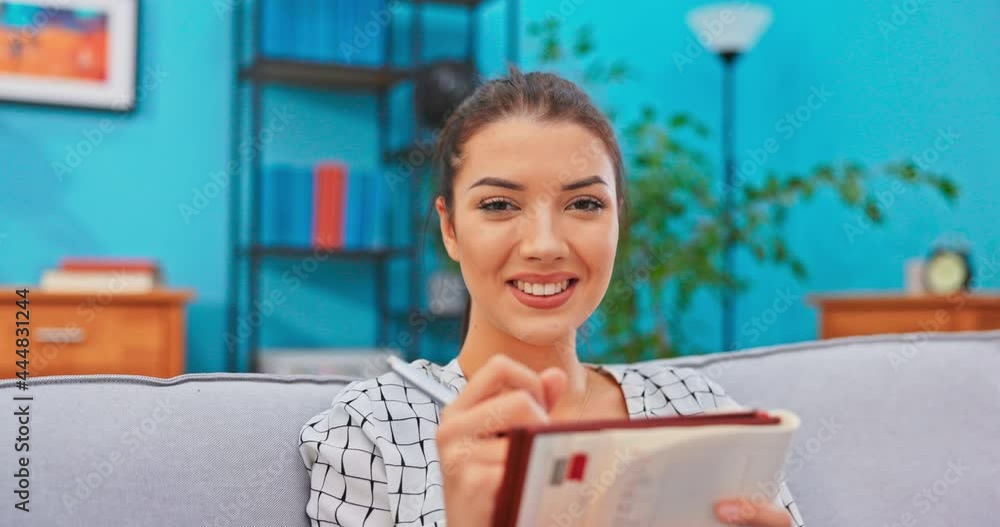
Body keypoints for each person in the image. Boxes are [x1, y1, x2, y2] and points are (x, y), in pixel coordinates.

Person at [299, 66, 804, 527]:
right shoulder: (375, 428)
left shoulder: (698, 406)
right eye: (500, 205)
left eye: (583, 203)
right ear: (450, 229)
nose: (545, 245)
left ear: (617, 220)